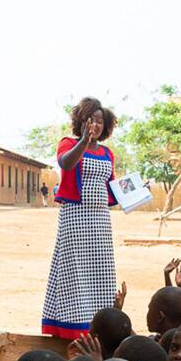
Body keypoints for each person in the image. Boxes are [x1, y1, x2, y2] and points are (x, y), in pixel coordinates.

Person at [43, 97, 119, 339]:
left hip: (100, 219)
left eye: (99, 121)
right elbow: (66, 164)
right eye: (91, 120)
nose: (95, 125)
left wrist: (136, 191)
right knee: (74, 269)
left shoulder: (107, 153)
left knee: (100, 269)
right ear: (81, 121)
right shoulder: (68, 144)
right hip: (76, 216)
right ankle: (72, 325)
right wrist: (84, 142)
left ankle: (98, 325)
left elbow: (112, 187)